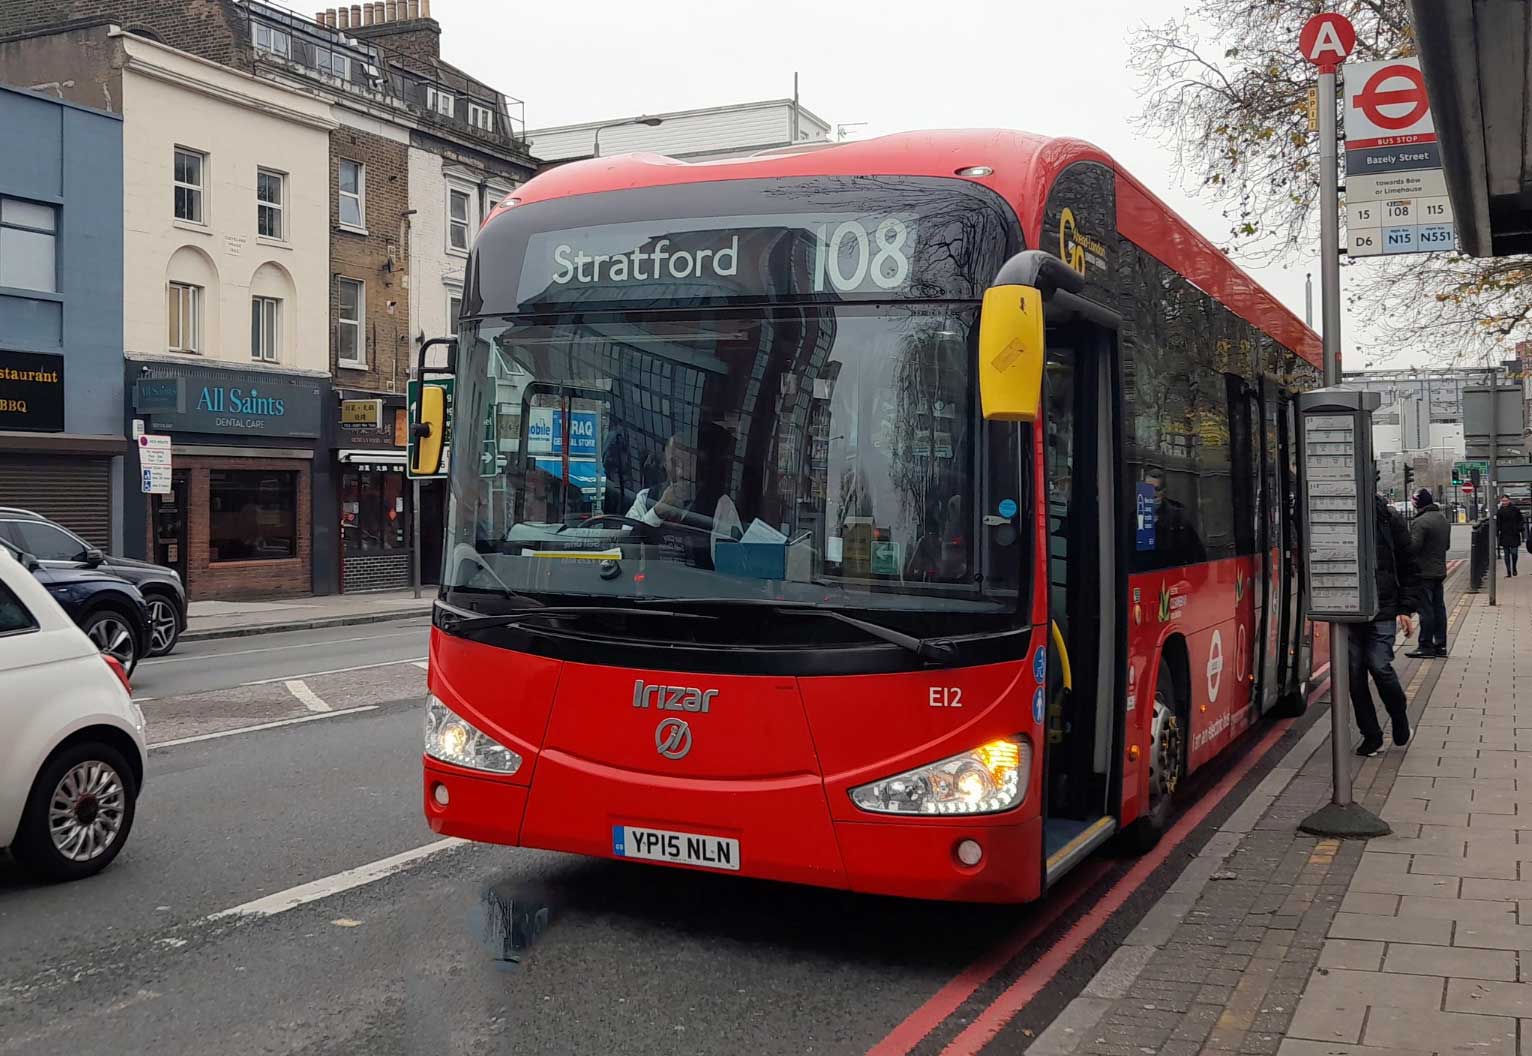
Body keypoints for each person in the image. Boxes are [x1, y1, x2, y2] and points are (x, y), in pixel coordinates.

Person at [1352, 487, 1422, 757]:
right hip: (1348, 611)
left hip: (1383, 607)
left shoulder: (1387, 518)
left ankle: (1399, 715)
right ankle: (1371, 735)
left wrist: (1406, 608)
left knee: (1379, 666)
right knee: (1353, 676)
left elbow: (1408, 565)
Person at [626, 426, 742, 566]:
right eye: (674, 462)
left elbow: (731, 565)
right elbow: (625, 549)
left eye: (688, 463)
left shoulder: (721, 504)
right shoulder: (645, 499)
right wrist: (657, 512)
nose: (681, 472)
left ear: (699, 464)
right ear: (664, 463)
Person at [1407, 487, 1450, 659]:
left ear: (1419, 503)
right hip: (1439, 570)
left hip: (1423, 572)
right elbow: (1446, 546)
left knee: (1426, 610)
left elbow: (1414, 548)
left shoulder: (1420, 522)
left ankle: (1425, 645)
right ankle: (1441, 645)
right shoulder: (1443, 519)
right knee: (1439, 609)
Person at [1496, 495, 1524, 577]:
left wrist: (1519, 528)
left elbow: (1521, 519)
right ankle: (1508, 571)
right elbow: (1498, 523)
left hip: (1514, 533)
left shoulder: (1515, 509)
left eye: (1506, 500)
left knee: (1514, 552)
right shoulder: (1499, 511)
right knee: (1506, 553)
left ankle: (1514, 567)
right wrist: (1497, 531)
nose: (1504, 502)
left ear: (1509, 500)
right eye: (1503, 501)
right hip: (1504, 534)